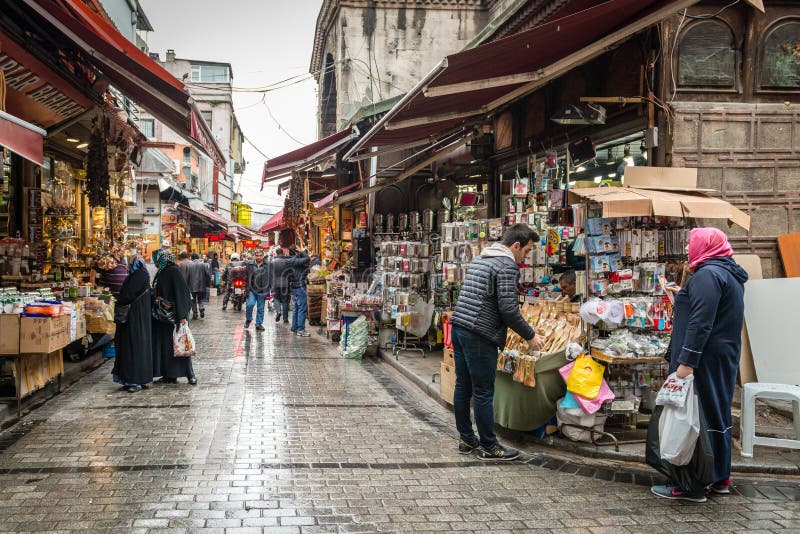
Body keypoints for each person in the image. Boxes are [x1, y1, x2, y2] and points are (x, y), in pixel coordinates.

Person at [651, 227, 748, 503]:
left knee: (694, 416)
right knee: (715, 413)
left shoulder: (707, 275)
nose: (686, 249)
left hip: (702, 359)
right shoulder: (725, 273)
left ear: (703, 246)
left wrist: (687, 362)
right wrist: (685, 295)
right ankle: (718, 477)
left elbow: (701, 322)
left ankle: (692, 484)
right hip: (721, 356)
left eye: (690, 244)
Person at [450, 224, 544, 461]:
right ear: (515, 245)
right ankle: (490, 447)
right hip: (479, 334)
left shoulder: (482, 258)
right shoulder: (506, 266)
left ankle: (467, 440)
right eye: (526, 251)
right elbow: (509, 310)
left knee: (463, 386)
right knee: (482, 392)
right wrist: (531, 336)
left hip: (460, 327)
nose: (525, 256)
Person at [151, 249, 195, 385]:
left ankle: (190, 374)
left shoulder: (173, 271)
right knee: (168, 347)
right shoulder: (161, 272)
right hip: (162, 317)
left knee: (181, 344)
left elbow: (182, 294)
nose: (155, 262)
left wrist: (182, 316)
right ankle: (169, 374)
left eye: (156, 259)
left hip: (174, 316)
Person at [111, 256, 153, 393]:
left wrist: (119, 301)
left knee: (132, 347)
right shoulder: (143, 274)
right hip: (140, 317)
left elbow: (127, 295)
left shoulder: (137, 276)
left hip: (133, 318)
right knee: (139, 347)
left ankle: (134, 379)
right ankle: (141, 378)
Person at [245, 249, 271, 331]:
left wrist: (270, 288)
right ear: (254, 256)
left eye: (260, 255)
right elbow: (246, 276)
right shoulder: (249, 264)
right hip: (252, 289)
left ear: (263, 256)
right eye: (257, 255)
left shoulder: (268, 265)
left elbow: (271, 277)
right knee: (250, 304)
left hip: (262, 290)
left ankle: (258, 324)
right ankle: (248, 319)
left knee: (260, 308)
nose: (258, 257)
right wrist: (245, 288)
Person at [288, 245, 311, 337]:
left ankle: (294, 328)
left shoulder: (291, 260)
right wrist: (301, 251)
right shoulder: (295, 260)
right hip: (300, 286)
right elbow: (307, 258)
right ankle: (301, 329)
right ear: (296, 251)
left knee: (296, 308)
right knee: (302, 308)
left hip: (294, 286)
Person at [185, 253, 210, 320]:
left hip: (192, 286)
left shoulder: (189, 265)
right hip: (202, 285)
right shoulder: (204, 264)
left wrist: (186, 285)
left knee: (193, 300)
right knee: (201, 298)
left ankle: (195, 313)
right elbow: (208, 275)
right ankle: (201, 308)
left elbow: (187, 277)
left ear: (192, 258)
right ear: (198, 258)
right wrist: (208, 283)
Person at [271, 248, 292, 324]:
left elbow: (271, 274)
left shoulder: (273, 262)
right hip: (285, 283)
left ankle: (278, 311)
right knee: (285, 301)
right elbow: (290, 273)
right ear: (282, 253)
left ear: (276, 253)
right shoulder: (287, 262)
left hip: (275, 284)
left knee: (276, 298)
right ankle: (285, 318)